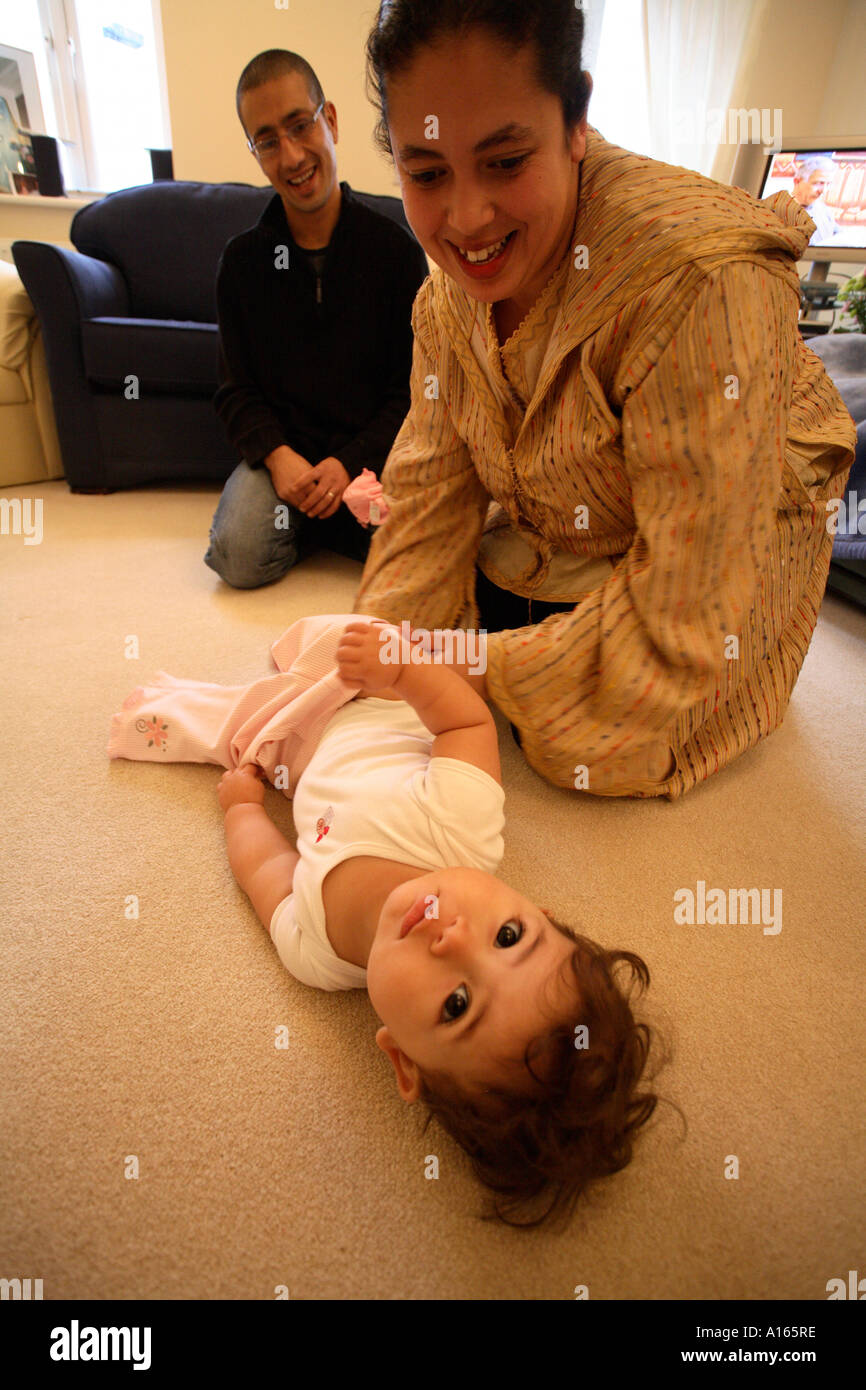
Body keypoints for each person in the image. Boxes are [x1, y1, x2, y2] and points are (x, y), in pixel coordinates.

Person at [351, 0, 857, 799]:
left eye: (506, 161)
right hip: (586, 507)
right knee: (434, 642)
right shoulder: (442, 303)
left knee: (587, 753)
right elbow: (426, 498)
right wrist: (366, 658)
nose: (467, 217)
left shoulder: (702, 279)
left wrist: (461, 667)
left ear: (576, 119)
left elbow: (689, 597)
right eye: (425, 173)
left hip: (737, 519)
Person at [108, 613, 661, 1228]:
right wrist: (400, 669)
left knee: (231, 738)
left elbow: (265, 869)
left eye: (457, 1004)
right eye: (509, 937)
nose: (453, 939)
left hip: (308, 757)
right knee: (358, 645)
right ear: (538, 912)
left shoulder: (316, 953)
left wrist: (242, 810)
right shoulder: (462, 823)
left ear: (402, 1059)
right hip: (390, 702)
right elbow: (463, 719)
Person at [204, 49, 429, 588]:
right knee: (240, 556)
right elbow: (236, 391)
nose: (291, 155)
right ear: (254, 152)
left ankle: (322, 523)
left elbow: (413, 390)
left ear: (329, 120)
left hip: (372, 458)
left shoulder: (395, 250)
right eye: (267, 141)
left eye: (300, 126)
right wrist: (279, 459)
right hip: (283, 465)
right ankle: (323, 524)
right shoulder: (241, 263)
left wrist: (349, 463)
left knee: (427, 558)